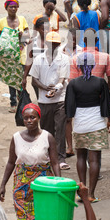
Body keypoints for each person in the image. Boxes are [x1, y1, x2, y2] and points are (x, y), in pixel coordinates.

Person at [0, 103, 60, 220]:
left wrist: (58, 182)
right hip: (21, 185)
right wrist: (2, 184)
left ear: (39, 117)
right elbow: (11, 161)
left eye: (33, 117)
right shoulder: (16, 137)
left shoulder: (47, 137)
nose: (29, 120)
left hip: (42, 185)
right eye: (26, 118)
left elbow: (54, 161)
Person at [65, 52, 110, 202]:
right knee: (94, 160)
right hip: (97, 124)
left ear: (78, 66)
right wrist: (109, 120)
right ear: (93, 66)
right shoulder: (100, 82)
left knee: (80, 157)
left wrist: (70, 123)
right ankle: (91, 194)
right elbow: (106, 103)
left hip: (80, 125)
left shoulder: (73, 84)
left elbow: (69, 109)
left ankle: (83, 189)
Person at [29, 31, 70, 170]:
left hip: (60, 99)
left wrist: (55, 89)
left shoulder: (64, 59)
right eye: (51, 44)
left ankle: (60, 158)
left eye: (55, 44)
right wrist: (46, 88)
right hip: (44, 101)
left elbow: (62, 79)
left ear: (58, 45)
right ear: (46, 44)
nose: (53, 46)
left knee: (60, 129)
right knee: (46, 130)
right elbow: (34, 79)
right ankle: (47, 156)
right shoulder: (39, 59)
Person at [0, 0, 30, 112]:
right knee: (11, 80)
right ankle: (13, 104)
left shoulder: (22, 19)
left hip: (21, 54)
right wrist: (4, 43)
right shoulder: (2, 22)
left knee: (21, 79)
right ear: (6, 8)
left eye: (15, 7)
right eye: (11, 7)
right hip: (9, 55)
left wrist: (22, 35)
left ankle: (22, 102)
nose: (13, 9)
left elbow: (28, 36)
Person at [22, 16, 50, 93]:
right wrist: (24, 78)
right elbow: (29, 60)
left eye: (48, 29)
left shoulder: (53, 42)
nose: (46, 31)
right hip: (37, 79)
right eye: (43, 29)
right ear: (37, 29)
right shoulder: (32, 43)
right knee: (40, 100)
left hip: (50, 77)